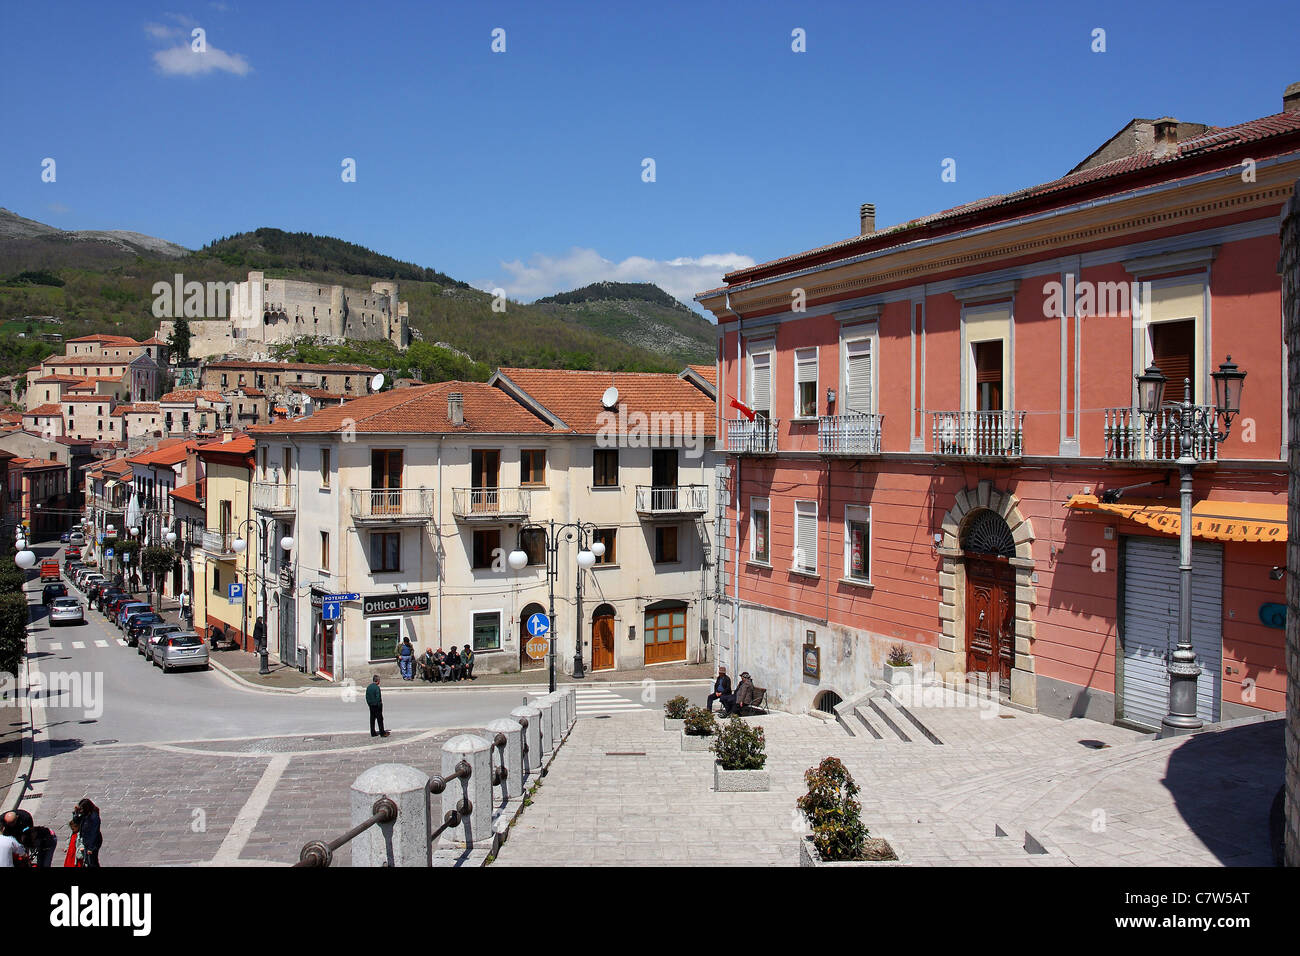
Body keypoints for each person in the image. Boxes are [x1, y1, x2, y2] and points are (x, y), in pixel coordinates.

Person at [72, 799, 102, 867]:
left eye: (82, 808)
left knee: (92, 862)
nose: (81, 810)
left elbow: (94, 832)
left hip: (93, 842)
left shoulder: (94, 817)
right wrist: (76, 813)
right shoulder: (84, 814)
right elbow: (76, 822)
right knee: (87, 861)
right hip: (86, 841)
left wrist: (91, 848)